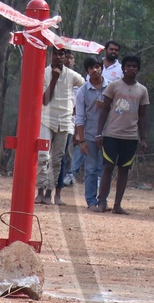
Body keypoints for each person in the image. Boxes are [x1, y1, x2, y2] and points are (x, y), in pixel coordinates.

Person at [94, 54, 147, 214]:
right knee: (108, 167)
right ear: (123, 68)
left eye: (134, 66)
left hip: (130, 136)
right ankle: (102, 202)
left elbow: (142, 116)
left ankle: (117, 205)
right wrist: (99, 134)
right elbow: (104, 110)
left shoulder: (142, 90)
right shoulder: (114, 86)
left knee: (124, 169)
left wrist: (143, 138)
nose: (131, 69)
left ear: (138, 69)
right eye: (128, 66)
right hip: (112, 134)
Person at [40, 46, 83, 205]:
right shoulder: (44, 72)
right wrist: (54, 79)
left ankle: (49, 193)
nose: (58, 57)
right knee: (43, 155)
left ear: (65, 57)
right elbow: (45, 100)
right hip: (46, 119)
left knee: (57, 159)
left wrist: (77, 110)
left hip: (65, 121)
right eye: (56, 54)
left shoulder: (72, 75)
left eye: (61, 54)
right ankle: (40, 191)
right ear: (51, 55)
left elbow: (85, 86)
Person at [72, 58, 106, 208]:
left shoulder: (111, 87)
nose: (95, 70)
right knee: (91, 169)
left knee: (106, 169)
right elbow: (79, 116)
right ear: (87, 71)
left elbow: (119, 110)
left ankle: (103, 200)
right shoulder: (82, 91)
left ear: (101, 68)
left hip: (108, 134)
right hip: (90, 134)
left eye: (97, 67)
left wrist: (106, 106)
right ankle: (91, 201)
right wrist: (82, 140)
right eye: (91, 68)